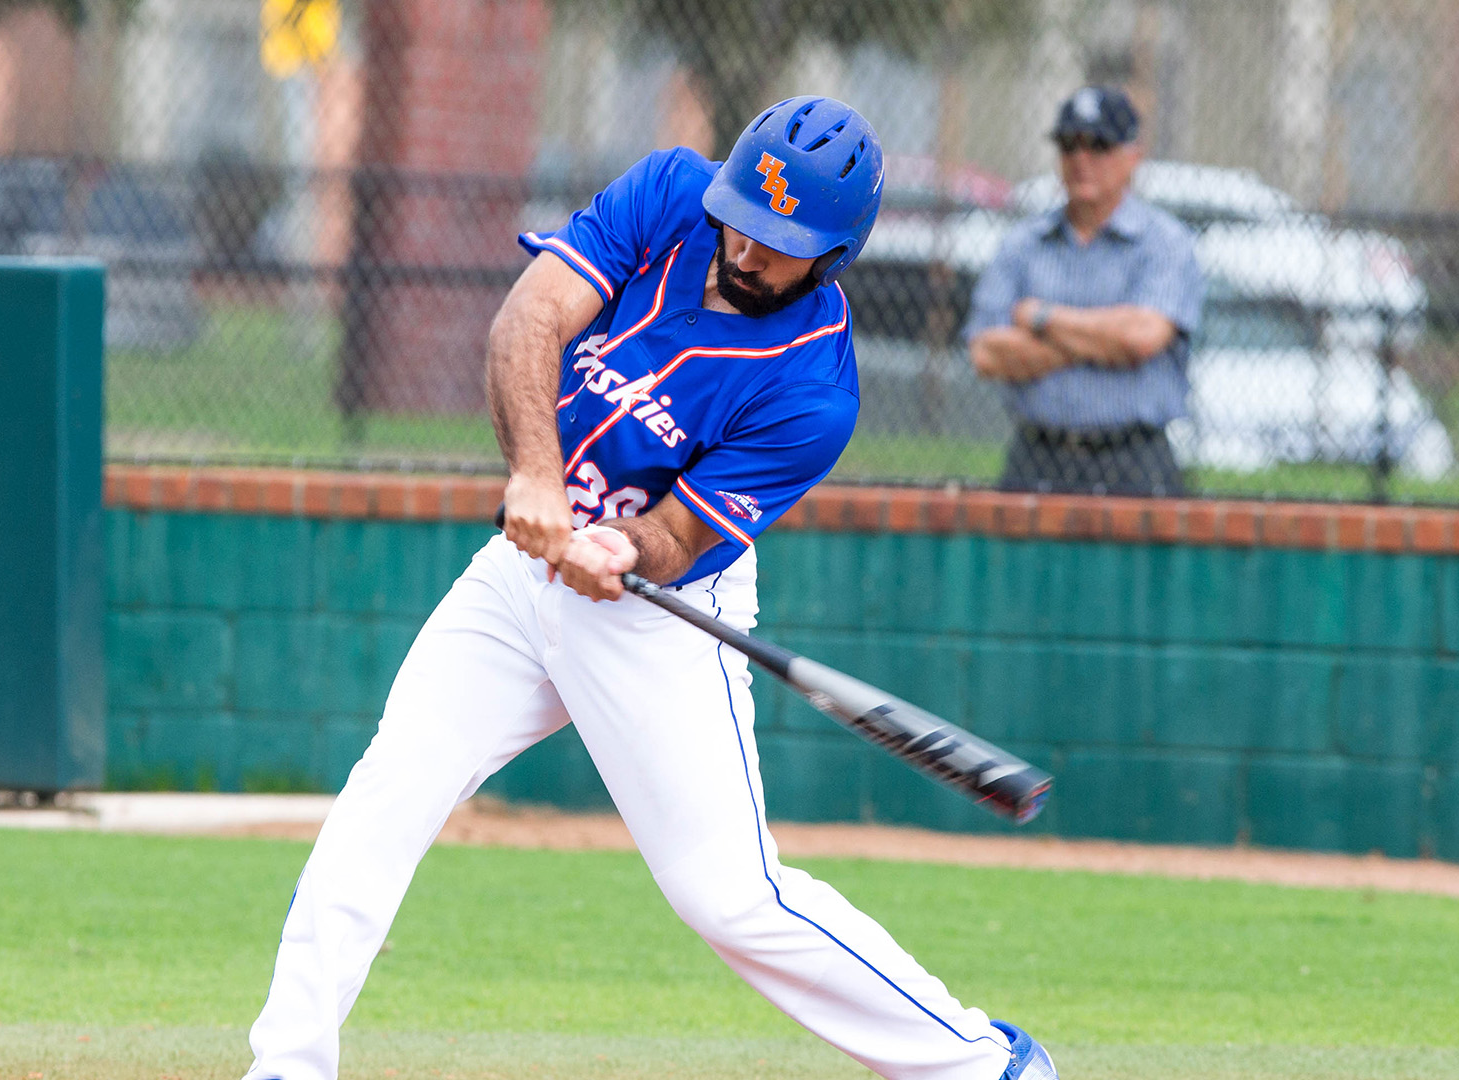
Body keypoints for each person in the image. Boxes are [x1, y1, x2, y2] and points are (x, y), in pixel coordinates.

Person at [241, 97, 1058, 1080]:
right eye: (743, 224)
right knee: (389, 792)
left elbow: (675, 539)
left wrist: (621, 550)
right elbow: (530, 319)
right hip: (522, 570)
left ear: (834, 254)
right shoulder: (672, 193)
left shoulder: (813, 391)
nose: (748, 253)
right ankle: (287, 1065)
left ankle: (980, 1064)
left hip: (656, 620)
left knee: (729, 897)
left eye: (780, 244)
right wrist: (538, 477)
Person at [965, 85, 1204, 496]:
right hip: (1037, 456)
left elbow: (1142, 337)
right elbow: (985, 353)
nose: (1081, 159)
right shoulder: (1024, 242)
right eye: (1068, 145)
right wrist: (1104, 342)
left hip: (1134, 460)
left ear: (1133, 155)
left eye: (1099, 145)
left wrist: (1042, 320)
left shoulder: (1165, 242)